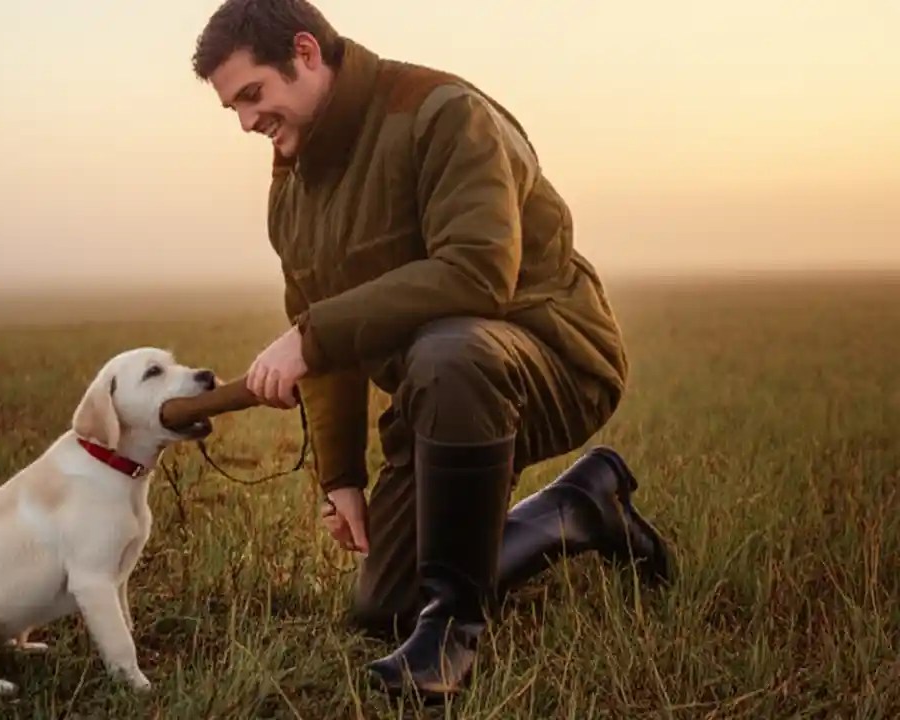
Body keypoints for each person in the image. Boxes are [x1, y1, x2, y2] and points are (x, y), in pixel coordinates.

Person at [191, 0, 675, 701]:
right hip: (436, 398)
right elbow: (321, 337)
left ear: (305, 52)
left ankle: (454, 629)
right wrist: (342, 478)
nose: (245, 122)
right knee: (383, 607)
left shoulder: (443, 114)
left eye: (252, 95)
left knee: (453, 350)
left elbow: (476, 271)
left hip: (552, 359)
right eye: (232, 107)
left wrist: (311, 335)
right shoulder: (290, 192)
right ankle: (578, 508)